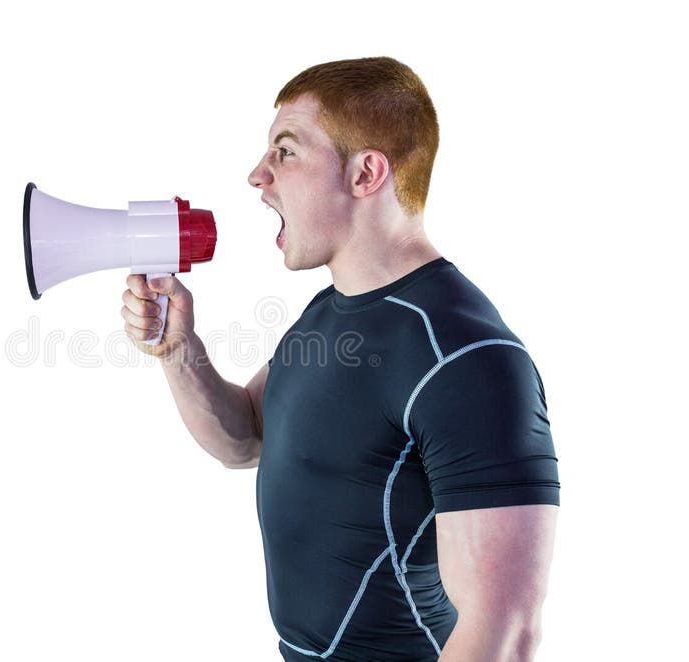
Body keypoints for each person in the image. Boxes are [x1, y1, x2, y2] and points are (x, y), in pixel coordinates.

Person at [120, 57, 559, 662]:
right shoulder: (327, 314)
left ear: (366, 173)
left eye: (286, 151)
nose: (257, 175)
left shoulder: (468, 358)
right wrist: (177, 348)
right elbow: (245, 439)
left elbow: (505, 634)